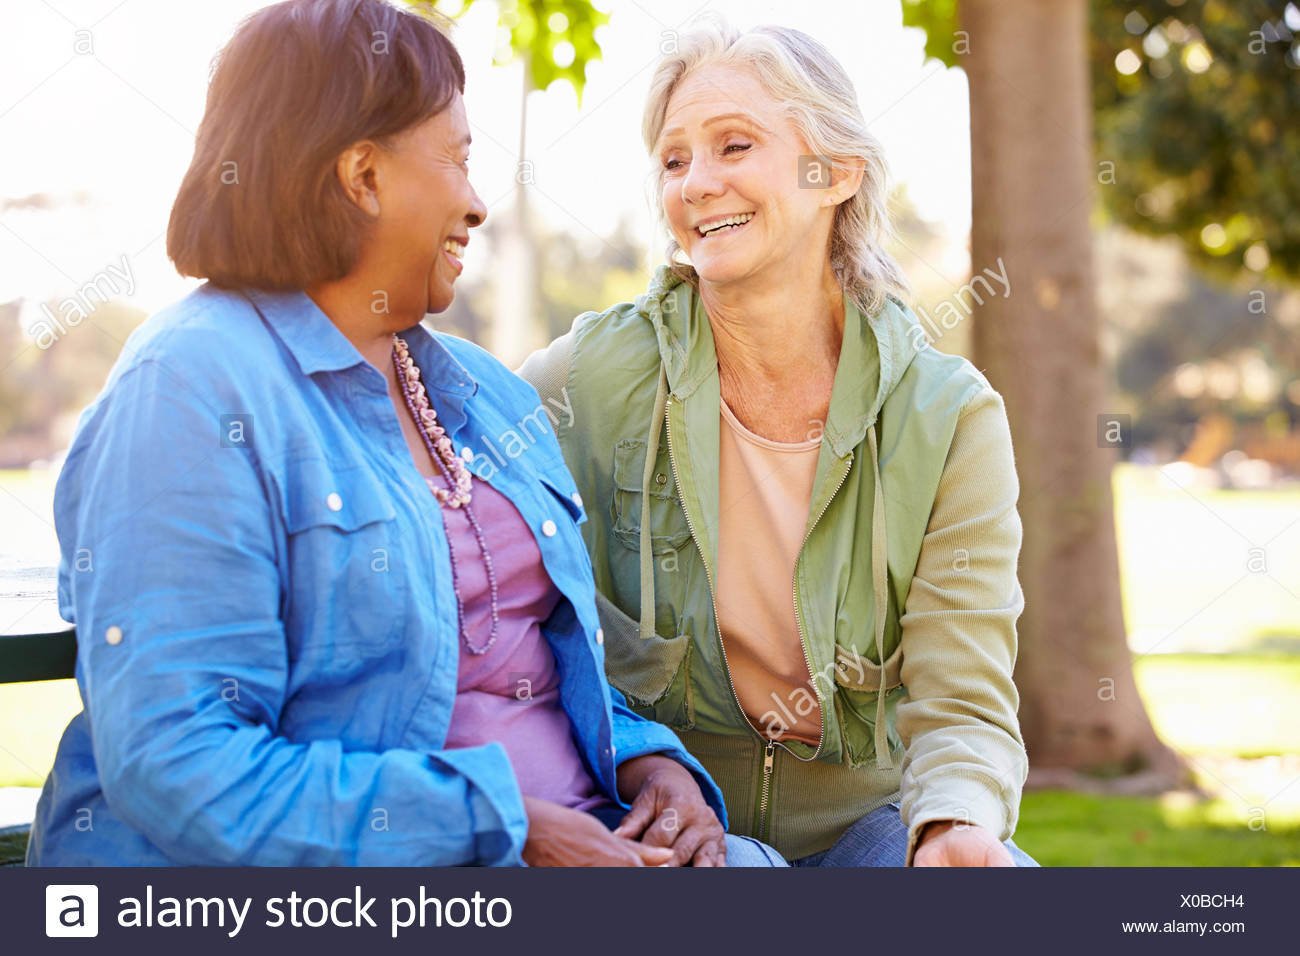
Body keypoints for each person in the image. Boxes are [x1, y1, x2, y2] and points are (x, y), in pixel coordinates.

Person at [27, 0, 784, 868]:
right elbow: (181, 765)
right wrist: (499, 827)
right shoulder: (192, 389)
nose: (476, 204)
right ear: (363, 176)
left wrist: (655, 767)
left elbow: (525, 666)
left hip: (594, 843)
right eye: (458, 160)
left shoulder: (482, 394)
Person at [520, 18, 1038, 867]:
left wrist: (951, 825)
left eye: (733, 146)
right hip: (681, 826)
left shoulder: (948, 418)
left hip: (874, 826)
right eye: (675, 159)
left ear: (835, 172)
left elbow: (963, 699)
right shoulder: (586, 381)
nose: (696, 184)